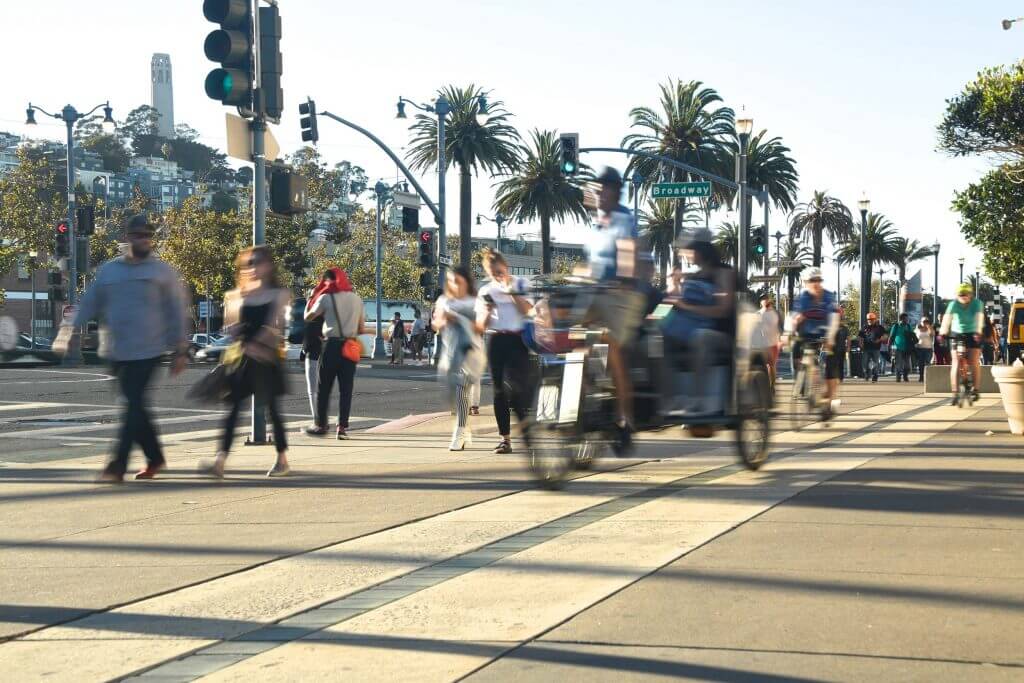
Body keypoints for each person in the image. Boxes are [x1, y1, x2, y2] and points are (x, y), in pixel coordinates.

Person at [54, 214, 188, 482]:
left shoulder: (161, 271)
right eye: (138, 235)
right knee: (137, 407)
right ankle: (155, 458)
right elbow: (90, 302)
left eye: (148, 235)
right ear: (127, 237)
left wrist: (181, 349)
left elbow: (176, 311)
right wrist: (67, 330)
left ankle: (117, 465)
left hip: (149, 350)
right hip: (117, 350)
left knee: (131, 405)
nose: (144, 240)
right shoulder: (109, 271)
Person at [200, 247, 291, 477]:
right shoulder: (237, 295)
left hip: (266, 360)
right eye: (249, 262)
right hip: (242, 360)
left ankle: (282, 459)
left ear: (269, 265)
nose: (253, 267)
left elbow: (275, 327)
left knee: (272, 410)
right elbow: (230, 326)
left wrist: (254, 343)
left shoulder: (278, 294)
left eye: (258, 262)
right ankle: (220, 461)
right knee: (232, 410)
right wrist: (233, 331)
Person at [583, 167, 646, 449]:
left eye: (602, 190)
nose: (598, 195)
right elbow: (590, 266)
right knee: (571, 333)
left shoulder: (623, 220)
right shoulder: (597, 225)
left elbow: (628, 253)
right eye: (595, 190)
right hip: (597, 293)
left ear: (615, 191)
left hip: (623, 294)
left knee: (613, 347)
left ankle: (624, 417)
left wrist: (623, 279)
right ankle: (585, 398)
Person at [664, 228, 736, 415]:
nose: (685, 254)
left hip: (720, 333)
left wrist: (686, 307)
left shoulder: (723, 273)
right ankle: (669, 396)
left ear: (700, 250)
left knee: (700, 337)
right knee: (655, 337)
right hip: (687, 328)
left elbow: (723, 309)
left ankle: (696, 398)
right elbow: (673, 303)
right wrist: (673, 289)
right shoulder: (692, 277)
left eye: (688, 250)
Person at [476, 249, 534, 453]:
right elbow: (480, 326)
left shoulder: (521, 284)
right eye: (492, 273)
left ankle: (527, 434)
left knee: (518, 389)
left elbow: (529, 311)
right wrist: (488, 310)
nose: (497, 276)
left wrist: (512, 292)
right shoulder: (486, 290)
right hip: (496, 339)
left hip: (517, 339)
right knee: (499, 390)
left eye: (499, 271)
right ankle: (505, 439)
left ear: (506, 267)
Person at [305, 266, 365, 438]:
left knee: (324, 387)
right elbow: (361, 328)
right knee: (346, 389)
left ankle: (321, 425)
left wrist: (312, 300)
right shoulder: (357, 299)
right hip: (350, 346)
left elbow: (308, 317)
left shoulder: (325, 298)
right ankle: (342, 427)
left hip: (331, 345)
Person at [433, 266, 485, 450]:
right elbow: (435, 325)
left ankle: (460, 433)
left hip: (471, 352)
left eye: (457, 281)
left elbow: (481, 327)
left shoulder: (475, 301)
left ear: (466, 282)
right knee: (452, 397)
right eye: (450, 281)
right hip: (450, 353)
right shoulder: (443, 300)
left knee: (461, 389)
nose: (453, 284)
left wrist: (459, 318)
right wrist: (443, 320)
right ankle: (464, 426)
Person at [791, 267, 841, 417]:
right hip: (808, 335)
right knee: (806, 358)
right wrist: (788, 332)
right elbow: (793, 316)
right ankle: (811, 389)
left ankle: (829, 401)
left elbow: (833, 320)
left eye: (818, 280)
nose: (816, 283)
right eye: (812, 280)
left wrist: (830, 338)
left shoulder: (828, 297)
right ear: (806, 282)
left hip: (828, 334)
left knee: (831, 366)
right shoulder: (803, 298)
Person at [938, 283, 984, 404]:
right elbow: (947, 319)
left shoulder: (977, 303)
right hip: (957, 333)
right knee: (956, 362)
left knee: (974, 361)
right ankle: (955, 392)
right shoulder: (953, 304)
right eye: (960, 295)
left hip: (973, 332)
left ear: (971, 295)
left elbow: (979, 318)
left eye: (966, 294)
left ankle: (976, 389)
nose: (963, 297)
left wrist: (978, 332)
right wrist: (942, 333)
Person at [300, 273, 332, 418]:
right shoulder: (316, 309)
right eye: (311, 296)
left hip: (320, 349)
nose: (312, 298)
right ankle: (317, 418)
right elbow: (307, 328)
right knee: (312, 387)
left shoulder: (319, 310)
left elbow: (308, 320)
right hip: (310, 348)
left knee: (316, 387)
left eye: (314, 296)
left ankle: (319, 419)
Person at [752, 296, 781, 387]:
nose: (765, 301)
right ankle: (767, 385)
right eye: (763, 300)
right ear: (761, 303)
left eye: (766, 300)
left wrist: (780, 339)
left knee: (771, 365)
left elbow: (780, 327)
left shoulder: (775, 313)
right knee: (764, 366)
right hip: (761, 344)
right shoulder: (758, 313)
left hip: (773, 343)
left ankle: (772, 386)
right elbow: (755, 329)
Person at [858, 312, 887, 382]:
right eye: (868, 319)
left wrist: (879, 339)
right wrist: (860, 344)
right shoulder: (864, 327)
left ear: (875, 319)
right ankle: (866, 374)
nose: (870, 321)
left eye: (871, 319)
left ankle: (875, 375)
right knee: (865, 362)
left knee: (875, 362)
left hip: (876, 348)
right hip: (866, 348)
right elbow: (860, 336)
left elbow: (885, 336)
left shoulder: (879, 328)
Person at [888, 313, 915, 382]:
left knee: (907, 365)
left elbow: (912, 336)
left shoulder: (908, 326)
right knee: (898, 363)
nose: (907, 320)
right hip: (897, 348)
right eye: (906, 319)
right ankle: (898, 377)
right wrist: (889, 346)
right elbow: (891, 337)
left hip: (907, 348)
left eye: (907, 319)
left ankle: (905, 375)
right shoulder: (896, 326)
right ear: (901, 319)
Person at [916, 317, 935, 382]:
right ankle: (921, 376)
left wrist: (929, 327)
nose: (925, 323)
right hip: (920, 348)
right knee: (920, 363)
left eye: (926, 321)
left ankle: (927, 377)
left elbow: (932, 335)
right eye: (923, 321)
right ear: (921, 322)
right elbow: (914, 337)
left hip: (928, 349)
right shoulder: (918, 329)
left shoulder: (930, 328)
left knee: (927, 363)